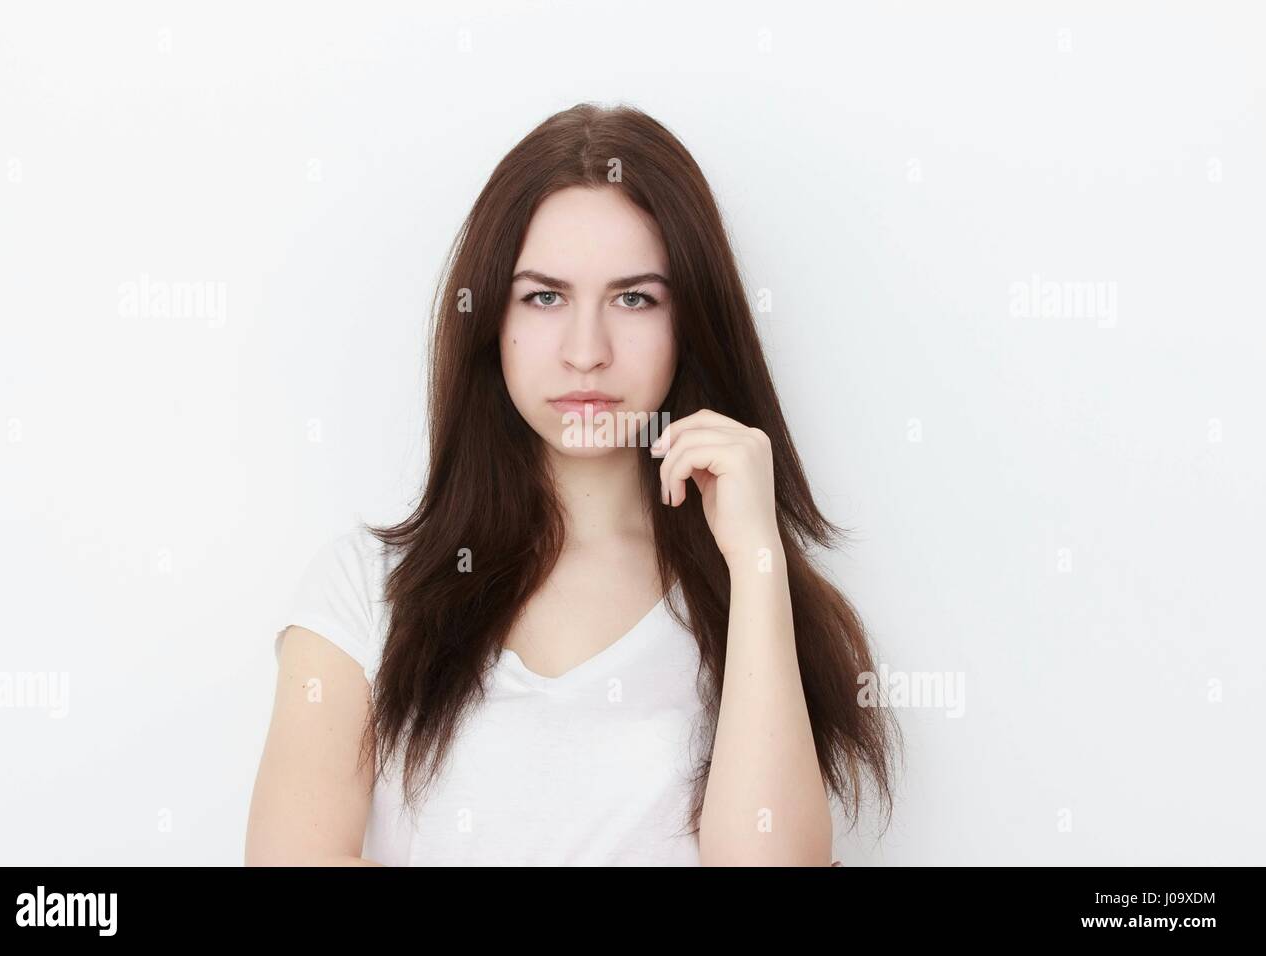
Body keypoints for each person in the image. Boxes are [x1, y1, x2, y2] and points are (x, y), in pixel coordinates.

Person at [246, 102, 896, 866]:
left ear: (689, 323)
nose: (587, 351)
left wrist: (757, 564)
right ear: (492, 318)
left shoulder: (750, 599)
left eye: (634, 299)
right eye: (545, 297)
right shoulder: (364, 591)